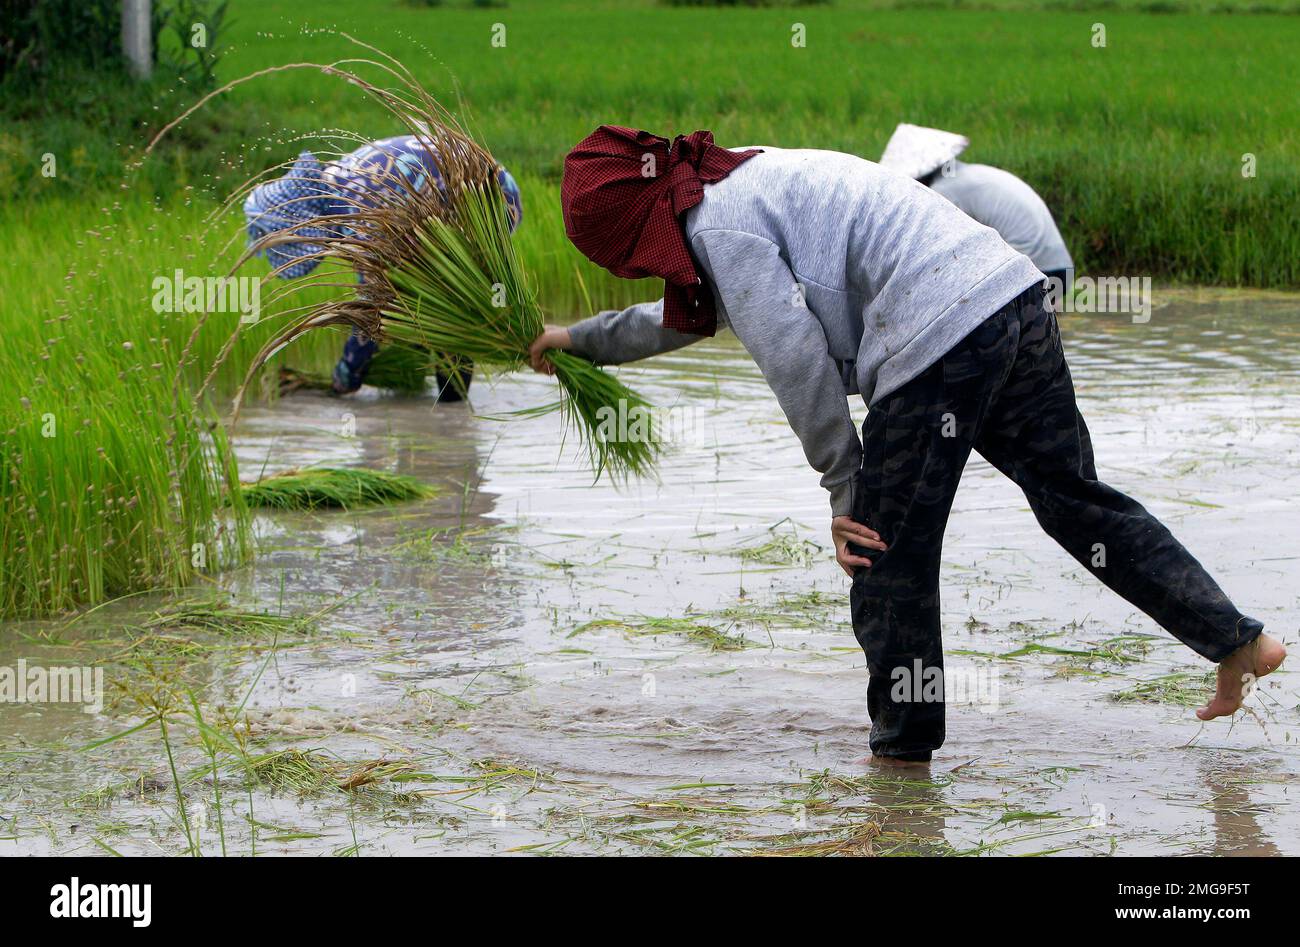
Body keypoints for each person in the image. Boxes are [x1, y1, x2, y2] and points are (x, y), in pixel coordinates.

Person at [528, 125, 1285, 766]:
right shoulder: (735, 178)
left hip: (937, 335)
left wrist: (843, 486)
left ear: (635, 230)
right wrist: (578, 342)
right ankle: (1234, 639)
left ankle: (900, 771)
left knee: (881, 556)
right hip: (1012, 298)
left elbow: (794, 357)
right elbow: (682, 316)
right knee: (1078, 503)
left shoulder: (719, 226)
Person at [244, 135, 524, 399]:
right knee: (416, 301)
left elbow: (374, 307)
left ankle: (454, 415)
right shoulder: (335, 181)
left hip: (487, 200)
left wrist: (349, 371)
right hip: (476, 185)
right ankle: (446, 412)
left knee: (447, 306)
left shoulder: (356, 211)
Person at [879, 123, 1074, 294]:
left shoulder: (945, 189)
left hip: (1035, 272)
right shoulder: (965, 174)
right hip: (1061, 269)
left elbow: (939, 251)